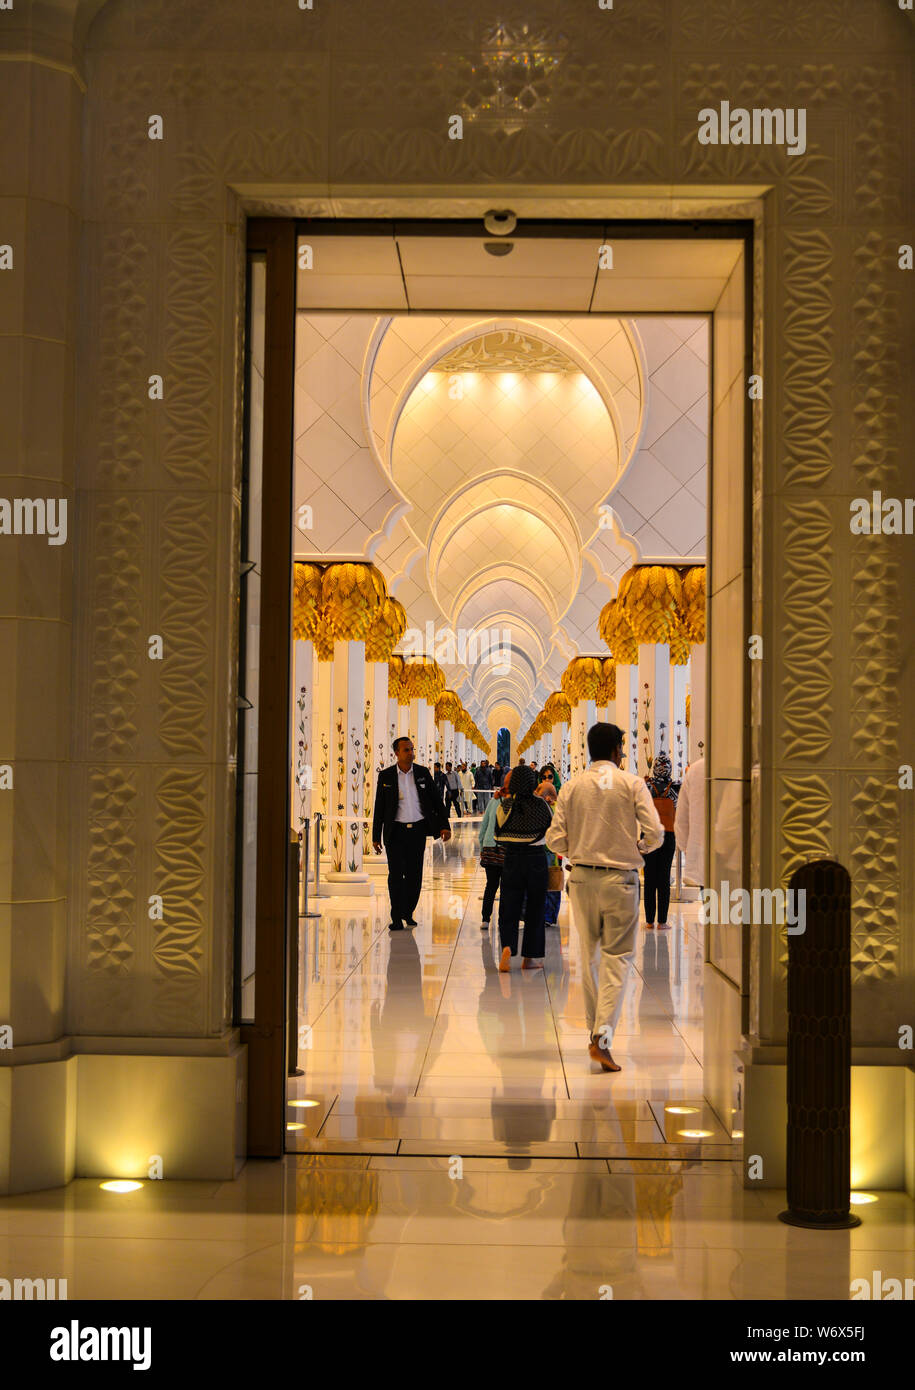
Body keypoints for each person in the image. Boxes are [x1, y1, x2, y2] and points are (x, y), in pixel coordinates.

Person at [546, 722, 662, 1072]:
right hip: (620, 880)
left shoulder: (572, 786)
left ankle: (596, 1032)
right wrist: (638, 847)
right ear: (616, 750)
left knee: (590, 957)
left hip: (582, 879)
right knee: (618, 958)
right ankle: (602, 1037)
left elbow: (554, 839)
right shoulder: (631, 783)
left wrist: (579, 850)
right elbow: (655, 833)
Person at [372, 736, 451, 931]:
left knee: (414, 876)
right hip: (395, 833)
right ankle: (396, 916)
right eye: (406, 750)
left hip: (417, 831)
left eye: (412, 749)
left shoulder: (423, 773)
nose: (410, 753)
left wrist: (444, 825)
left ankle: (408, 912)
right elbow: (379, 807)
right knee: (396, 875)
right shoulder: (386, 776)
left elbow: (436, 801)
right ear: (396, 753)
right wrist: (375, 836)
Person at [494, 764, 553, 972]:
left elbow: (497, 834)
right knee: (536, 907)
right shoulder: (541, 804)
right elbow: (551, 830)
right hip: (536, 859)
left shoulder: (506, 805)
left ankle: (507, 947)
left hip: (512, 858)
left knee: (509, 904)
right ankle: (530, 958)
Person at [642, 752, 678, 930]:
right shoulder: (676, 787)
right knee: (664, 878)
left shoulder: (646, 785)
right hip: (668, 835)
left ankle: (649, 920)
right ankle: (662, 921)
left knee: (649, 877)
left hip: (649, 835)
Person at [534, 768, 562, 926]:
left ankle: (549, 916)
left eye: (550, 776)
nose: (547, 779)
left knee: (552, 883)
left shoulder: (559, 804)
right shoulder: (536, 801)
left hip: (552, 851)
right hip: (537, 851)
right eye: (543, 777)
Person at [675, 754, 705, 892]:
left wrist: (690, 850)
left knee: (713, 905)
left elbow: (681, 821)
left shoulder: (696, 769)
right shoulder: (750, 765)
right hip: (745, 863)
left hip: (704, 862)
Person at [477, 785, 505, 930]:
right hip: (506, 849)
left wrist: (482, 846)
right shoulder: (515, 801)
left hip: (490, 846)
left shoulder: (494, 800)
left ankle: (485, 919)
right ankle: (503, 920)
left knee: (491, 885)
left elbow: (484, 824)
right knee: (506, 887)